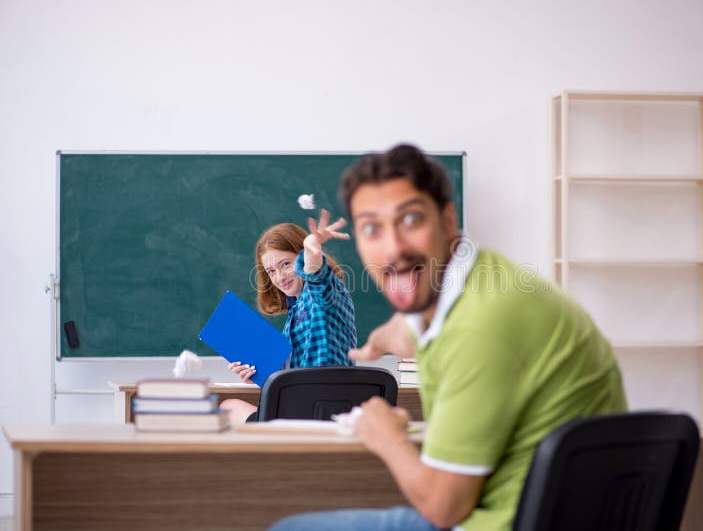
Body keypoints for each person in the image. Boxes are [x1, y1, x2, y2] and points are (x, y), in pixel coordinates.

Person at [269, 144, 627, 531]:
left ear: (448, 218)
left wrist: (386, 436)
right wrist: (394, 333)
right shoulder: (488, 285)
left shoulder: (479, 326)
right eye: (371, 228)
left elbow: (443, 508)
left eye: (410, 220)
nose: (393, 247)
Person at [221, 209, 357, 424]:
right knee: (229, 406)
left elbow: (314, 273)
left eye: (286, 264)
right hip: (306, 408)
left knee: (227, 408)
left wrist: (312, 248)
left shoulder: (324, 293)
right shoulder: (295, 314)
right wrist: (258, 374)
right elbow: (292, 379)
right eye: (271, 271)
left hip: (315, 412)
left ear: (300, 256)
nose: (279, 277)